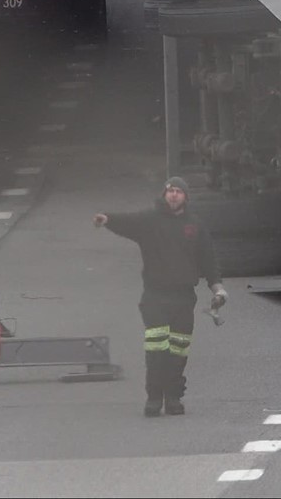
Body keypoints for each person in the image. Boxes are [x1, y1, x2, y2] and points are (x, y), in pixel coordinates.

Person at [93, 176, 227, 417]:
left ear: (185, 197)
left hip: (184, 298)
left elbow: (208, 259)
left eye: (178, 191)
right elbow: (127, 222)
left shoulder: (195, 226)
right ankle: (154, 397)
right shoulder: (150, 221)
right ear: (164, 195)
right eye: (170, 191)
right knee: (157, 349)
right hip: (155, 296)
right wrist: (108, 219)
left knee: (178, 350)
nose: (174, 195)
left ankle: (173, 398)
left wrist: (217, 287)